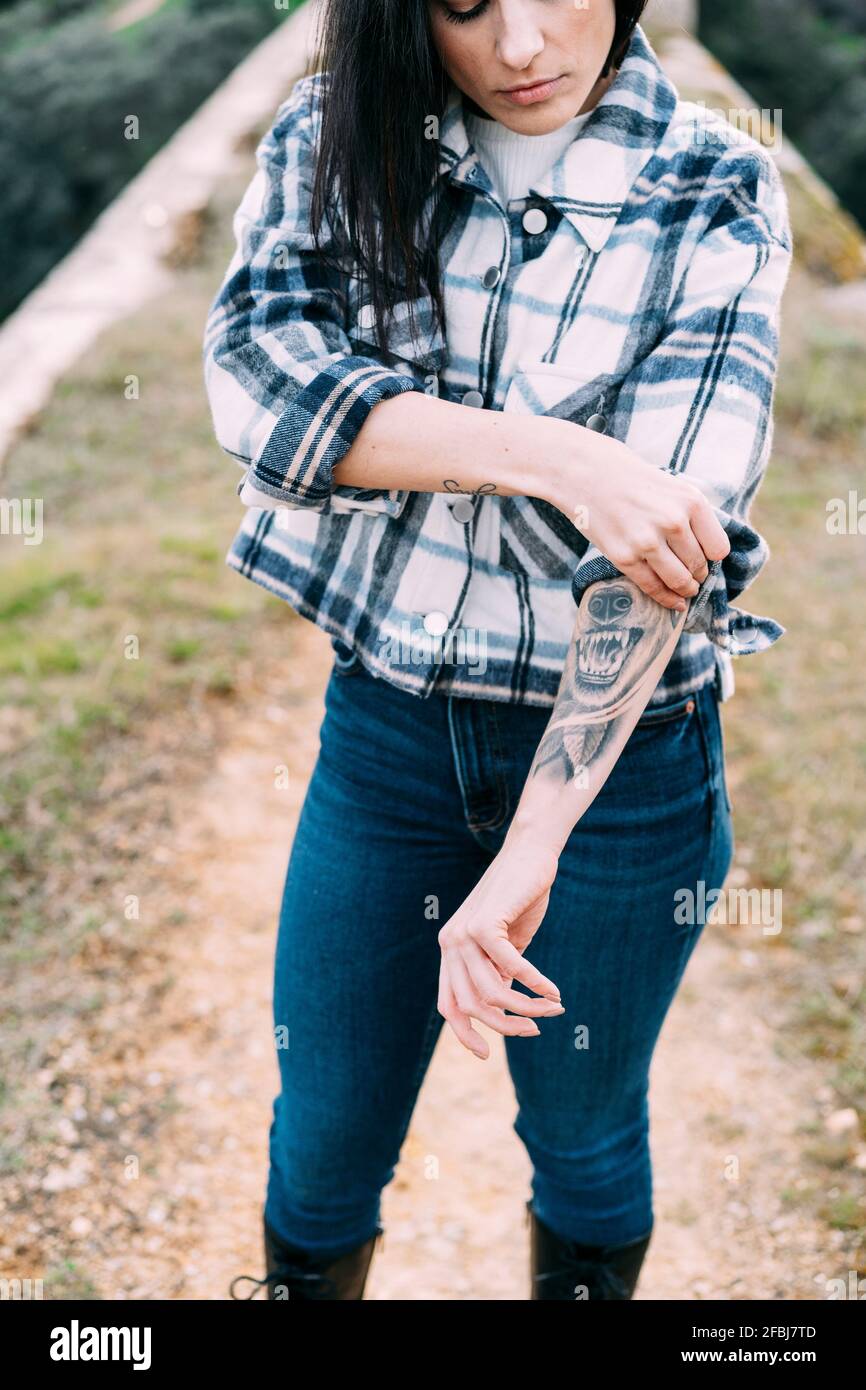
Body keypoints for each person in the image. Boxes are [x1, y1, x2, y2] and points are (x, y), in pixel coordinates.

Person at [203, 0, 793, 1301]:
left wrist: (533, 848)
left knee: (584, 1135)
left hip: (624, 775)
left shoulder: (713, 182)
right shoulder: (338, 136)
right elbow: (258, 386)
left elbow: (663, 549)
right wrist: (563, 459)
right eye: (467, 5)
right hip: (389, 738)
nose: (522, 46)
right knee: (322, 1137)